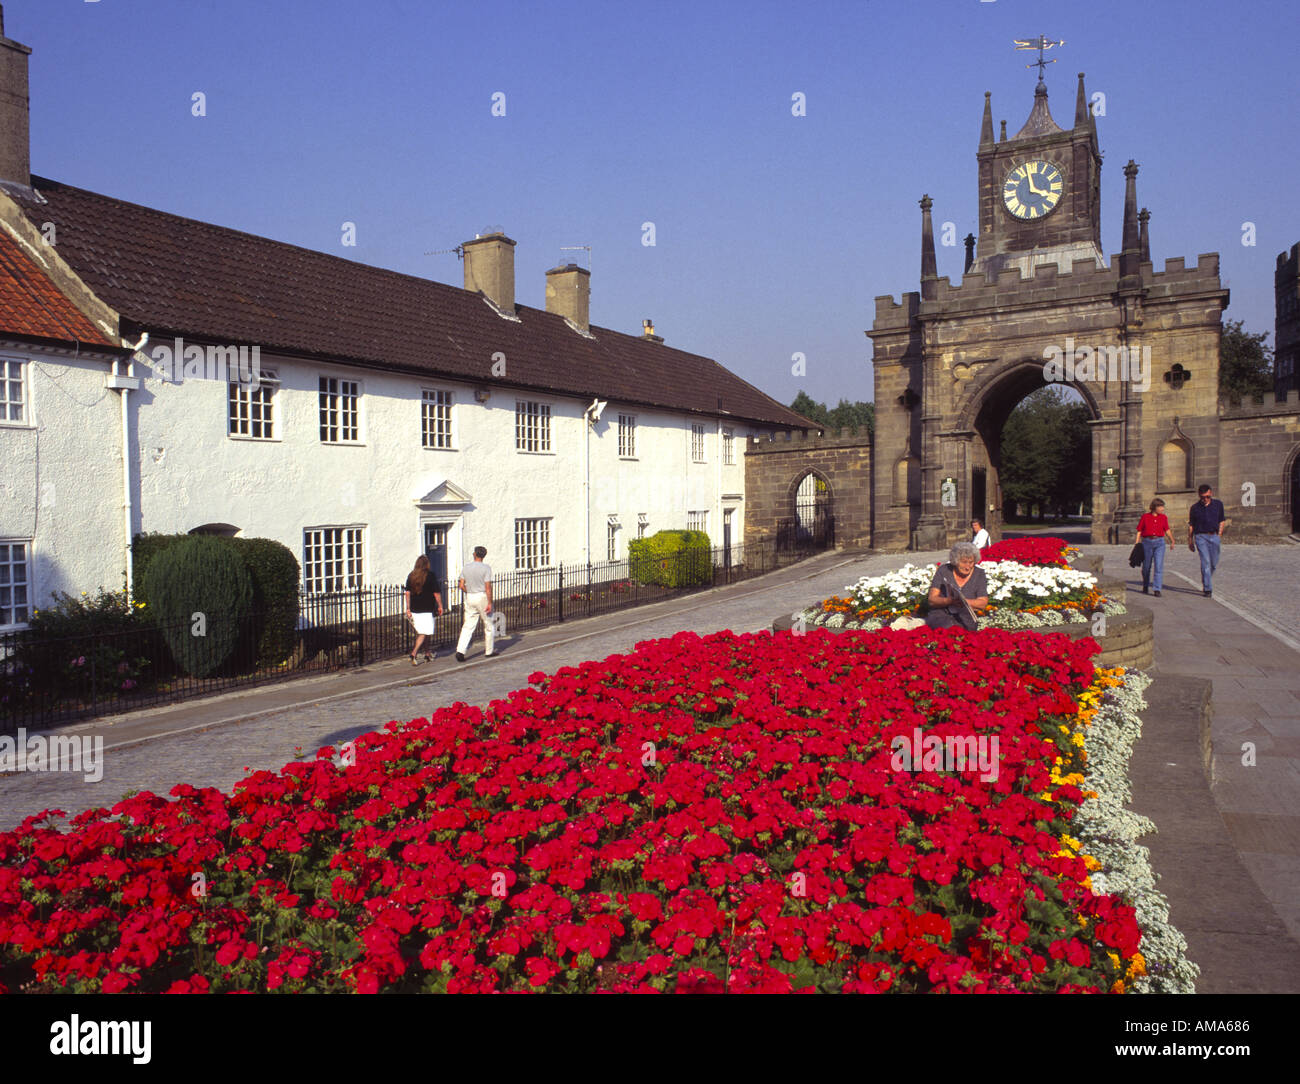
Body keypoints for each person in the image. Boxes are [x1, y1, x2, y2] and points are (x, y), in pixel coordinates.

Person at [925, 541, 989, 631]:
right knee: (947, 626)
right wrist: (949, 601)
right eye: (964, 562)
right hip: (942, 614)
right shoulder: (944, 571)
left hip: (966, 616)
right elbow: (932, 599)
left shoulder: (979, 574)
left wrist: (963, 602)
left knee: (967, 628)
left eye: (971, 562)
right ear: (955, 561)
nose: (968, 567)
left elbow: (983, 602)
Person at [455, 546, 495, 661]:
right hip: (481, 596)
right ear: (484, 555)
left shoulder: (466, 567)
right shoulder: (486, 568)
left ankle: (460, 650)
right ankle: (489, 651)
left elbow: (461, 585)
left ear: (474, 554)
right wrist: (490, 602)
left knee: (468, 625)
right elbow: (488, 587)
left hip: (470, 596)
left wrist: (470, 591)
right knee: (488, 624)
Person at [1187, 484, 1227, 597]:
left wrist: (1219, 534)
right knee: (1206, 562)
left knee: (1213, 563)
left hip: (1214, 536)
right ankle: (1208, 589)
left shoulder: (1218, 505)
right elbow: (1191, 525)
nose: (1205, 499)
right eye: (1203, 497)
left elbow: (1222, 520)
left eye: (1207, 497)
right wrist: (1190, 541)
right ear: (1199, 496)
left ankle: (1206, 578)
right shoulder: (1194, 508)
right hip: (1200, 537)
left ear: (1211, 494)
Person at [403, 555, 444, 665]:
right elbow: (436, 592)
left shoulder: (411, 576)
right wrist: (440, 605)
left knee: (426, 631)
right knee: (423, 632)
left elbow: (407, 593)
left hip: (415, 608)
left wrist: (408, 608)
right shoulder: (430, 576)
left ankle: (427, 653)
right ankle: (413, 654)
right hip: (427, 608)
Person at [1134, 498, 1175, 596]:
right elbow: (1139, 530)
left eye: (1162, 506)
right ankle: (1145, 584)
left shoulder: (1163, 517)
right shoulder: (1145, 517)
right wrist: (1137, 543)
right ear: (1154, 507)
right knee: (1146, 567)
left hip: (1160, 542)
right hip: (1147, 542)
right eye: (1160, 506)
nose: (1162, 508)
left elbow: (1167, 530)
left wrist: (1172, 540)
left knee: (1158, 566)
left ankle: (1157, 589)